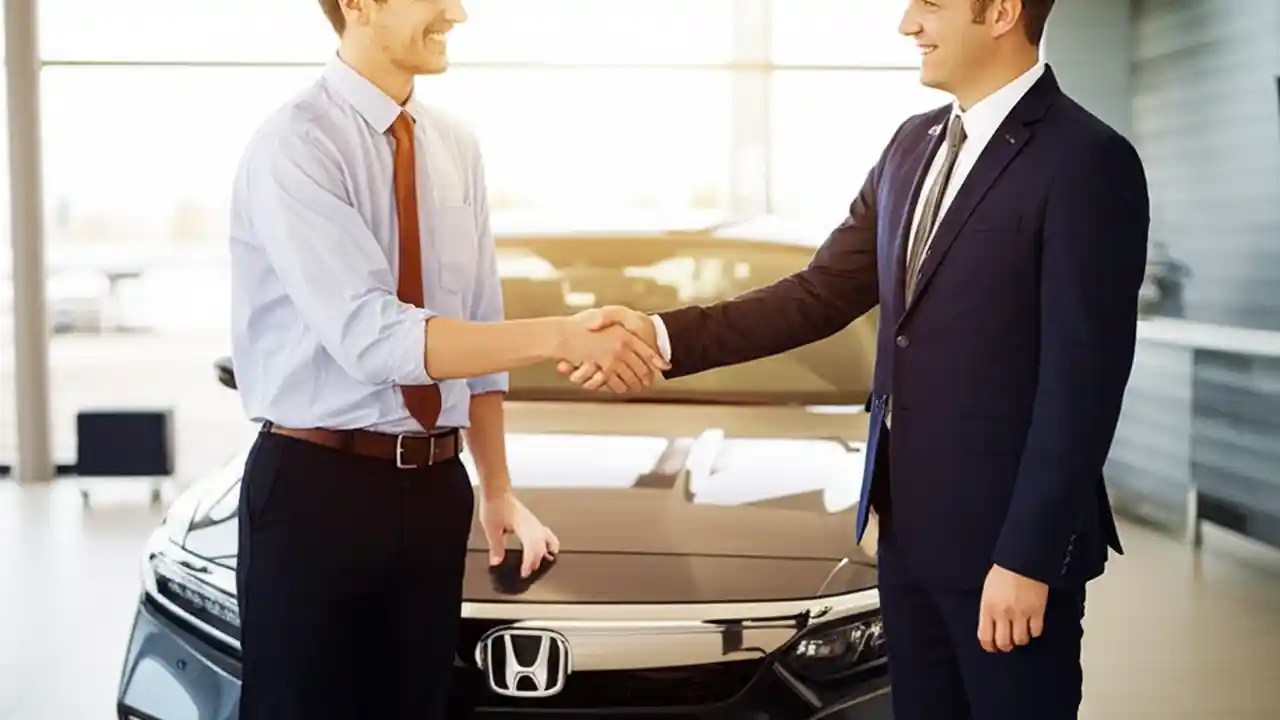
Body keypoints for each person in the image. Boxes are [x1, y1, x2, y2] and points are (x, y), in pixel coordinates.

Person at [561, 0, 1148, 717]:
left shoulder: (1087, 160)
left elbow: (1081, 385)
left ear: (999, 12)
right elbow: (817, 294)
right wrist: (661, 334)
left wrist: (1028, 557)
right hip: (905, 536)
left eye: (929, 4)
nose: (907, 24)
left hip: (1007, 550)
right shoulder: (912, 145)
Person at [227, 1, 667, 718]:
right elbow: (374, 337)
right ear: (360, 5)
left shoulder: (453, 144)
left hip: (436, 490)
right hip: (316, 490)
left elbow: (478, 326)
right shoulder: (296, 145)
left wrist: (495, 489)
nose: (458, 12)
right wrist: (559, 334)